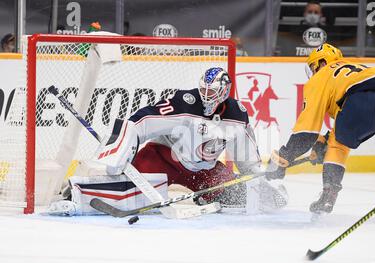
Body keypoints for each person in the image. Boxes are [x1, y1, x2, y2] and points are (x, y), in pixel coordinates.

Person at [54, 68, 288, 216]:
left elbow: (248, 160)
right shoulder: (184, 102)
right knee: (130, 192)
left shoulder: (237, 115)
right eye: (204, 89)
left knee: (260, 199)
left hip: (203, 172)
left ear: (225, 92)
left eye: (213, 92)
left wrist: (261, 176)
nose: (206, 96)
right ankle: (76, 191)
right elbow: (140, 121)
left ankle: (213, 194)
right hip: (162, 159)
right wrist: (120, 152)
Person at [265, 44, 375, 219]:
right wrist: (323, 144)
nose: (313, 72)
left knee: (339, 143)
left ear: (320, 63)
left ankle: (329, 194)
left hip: (362, 100)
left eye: (313, 67)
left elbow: (306, 132)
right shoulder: (356, 69)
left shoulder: (321, 76)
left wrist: (283, 158)